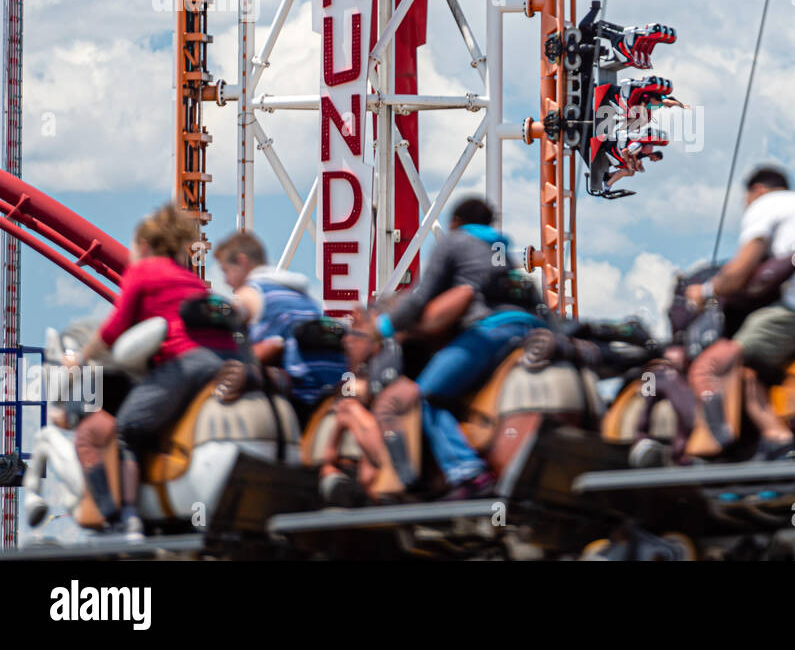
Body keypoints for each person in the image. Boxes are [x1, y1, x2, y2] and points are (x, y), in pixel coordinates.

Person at [353, 197, 545, 499]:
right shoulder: (500, 249)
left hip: (491, 330)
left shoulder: (454, 242)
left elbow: (421, 298)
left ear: (455, 222)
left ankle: (467, 472)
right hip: (531, 327)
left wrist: (385, 328)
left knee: (427, 396)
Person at [64, 205, 238, 537]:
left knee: (128, 428)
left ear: (144, 244)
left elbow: (115, 329)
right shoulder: (192, 280)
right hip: (222, 363)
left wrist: (81, 358)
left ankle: (127, 519)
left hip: (184, 363)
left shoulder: (143, 272)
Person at [684, 166, 795, 459]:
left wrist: (705, 292)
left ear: (757, 191)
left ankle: (730, 446)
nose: (747, 208)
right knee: (749, 368)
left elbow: (741, 270)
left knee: (715, 363)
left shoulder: (766, 205)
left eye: (746, 202)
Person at [214, 232, 344, 409]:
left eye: (226, 271)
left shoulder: (251, 292)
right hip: (334, 381)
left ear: (242, 261)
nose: (226, 281)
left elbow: (226, 319)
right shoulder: (302, 295)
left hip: (301, 387)